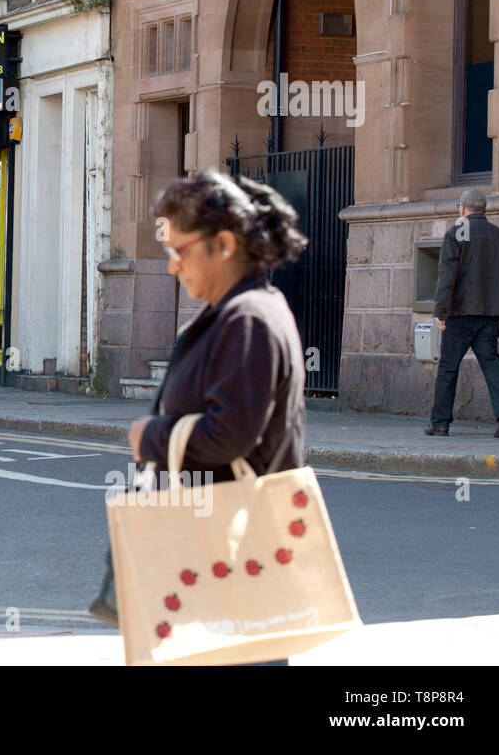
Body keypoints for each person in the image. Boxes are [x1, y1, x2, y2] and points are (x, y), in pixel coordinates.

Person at [92, 171, 309, 664]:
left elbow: (229, 433)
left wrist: (152, 435)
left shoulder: (248, 318)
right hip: (222, 556)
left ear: (225, 244)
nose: (170, 267)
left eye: (179, 250)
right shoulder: (238, 312)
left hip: (230, 557)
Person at [426, 188, 499, 437]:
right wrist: (495, 299)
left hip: (459, 314)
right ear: (483, 209)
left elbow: (447, 276)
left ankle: (440, 423)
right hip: (489, 314)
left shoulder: (455, 233)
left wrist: (440, 311)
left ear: (463, 209)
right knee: (491, 362)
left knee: (448, 367)